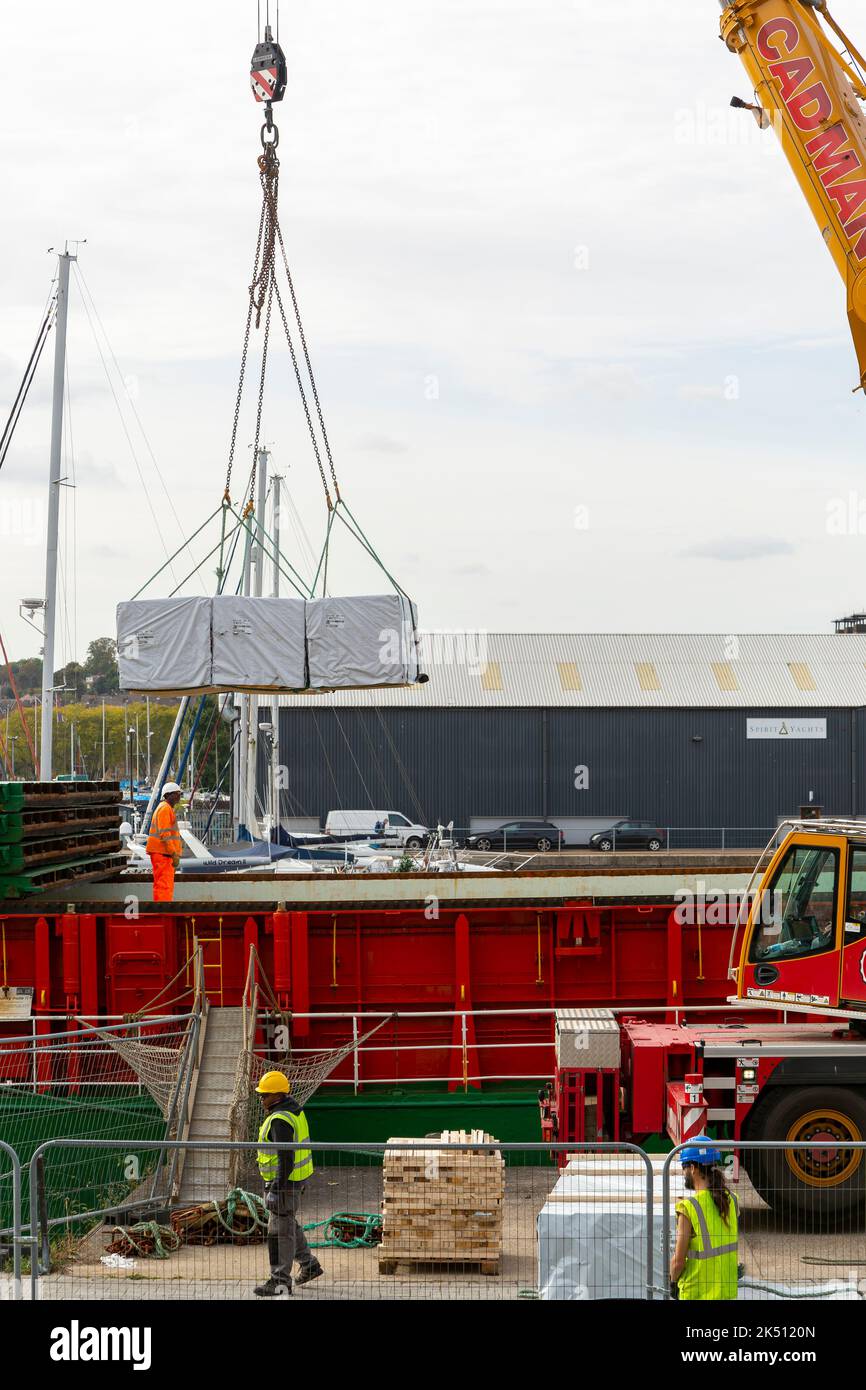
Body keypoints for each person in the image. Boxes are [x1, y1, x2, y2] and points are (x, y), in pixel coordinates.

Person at [254, 1070, 323, 1297]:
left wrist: (276, 1188)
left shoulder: (280, 1120)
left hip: (284, 1183)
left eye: (265, 1095)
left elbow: (286, 1158)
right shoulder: (293, 1111)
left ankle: (279, 1282)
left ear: (277, 1095)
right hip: (293, 1181)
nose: (261, 1099)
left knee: (279, 1233)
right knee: (287, 1223)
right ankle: (309, 1264)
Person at [669, 1138, 739, 1300]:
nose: (683, 1173)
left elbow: (678, 1262)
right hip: (725, 1290)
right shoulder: (732, 1200)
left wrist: (672, 1282)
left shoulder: (688, 1207)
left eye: (684, 1167)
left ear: (693, 1168)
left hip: (697, 1292)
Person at [145, 782, 184, 902]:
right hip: (163, 855)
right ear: (169, 795)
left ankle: (163, 908)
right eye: (177, 794)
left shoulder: (165, 809)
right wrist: (173, 853)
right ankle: (163, 910)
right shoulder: (164, 809)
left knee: (163, 884)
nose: (179, 796)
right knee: (164, 885)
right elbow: (165, 835)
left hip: (163, 854)